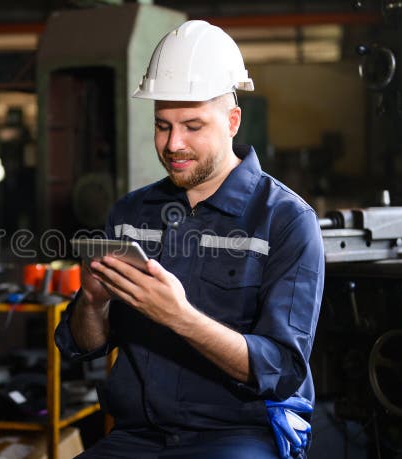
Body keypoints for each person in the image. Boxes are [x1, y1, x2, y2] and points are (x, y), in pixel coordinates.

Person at [55, 20, 324, 459]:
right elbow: (86, 345)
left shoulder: (286, 221)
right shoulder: (130, 214)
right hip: (136, 437)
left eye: (192, 126)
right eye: (163, 126)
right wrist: (93, 302)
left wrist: (179, 316)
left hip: (237, 437)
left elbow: (281, 367)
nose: (173, 143)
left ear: (232, 121)